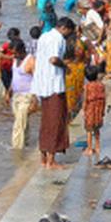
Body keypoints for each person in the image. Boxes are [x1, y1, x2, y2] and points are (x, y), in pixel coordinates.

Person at [35, 17, 73, 168]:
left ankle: (44, 158)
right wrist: (65, 66)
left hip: (43, 84)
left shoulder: (44, 36)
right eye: (68, 33)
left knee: (46, 121)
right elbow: (53, 59)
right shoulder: (57, 39)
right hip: (54, 85)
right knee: (55, 122)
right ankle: (51, 160)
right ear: (63, 28)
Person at [10, 46, 36, 149]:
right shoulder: (15, 60)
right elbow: (14, 76)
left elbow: (36, 79)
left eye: (15, 53)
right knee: (21, 121)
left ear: (21, 51)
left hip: (26, 96)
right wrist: (9, 91)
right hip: (16, 95)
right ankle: (25, 143)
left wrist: (34, 99)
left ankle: (16, 149)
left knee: (18, 124)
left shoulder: (30, 60)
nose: (14, 56)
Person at [83, 62, 106, 157]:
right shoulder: (101, 85)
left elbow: (85, 100)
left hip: (90, 109)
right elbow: (104, 98)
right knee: (97, 129)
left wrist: (84, 110)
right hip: (99, 109)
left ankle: (89, 149)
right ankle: (97, 147)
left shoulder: (87, 87)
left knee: (89, 130)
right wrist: (103, 110)